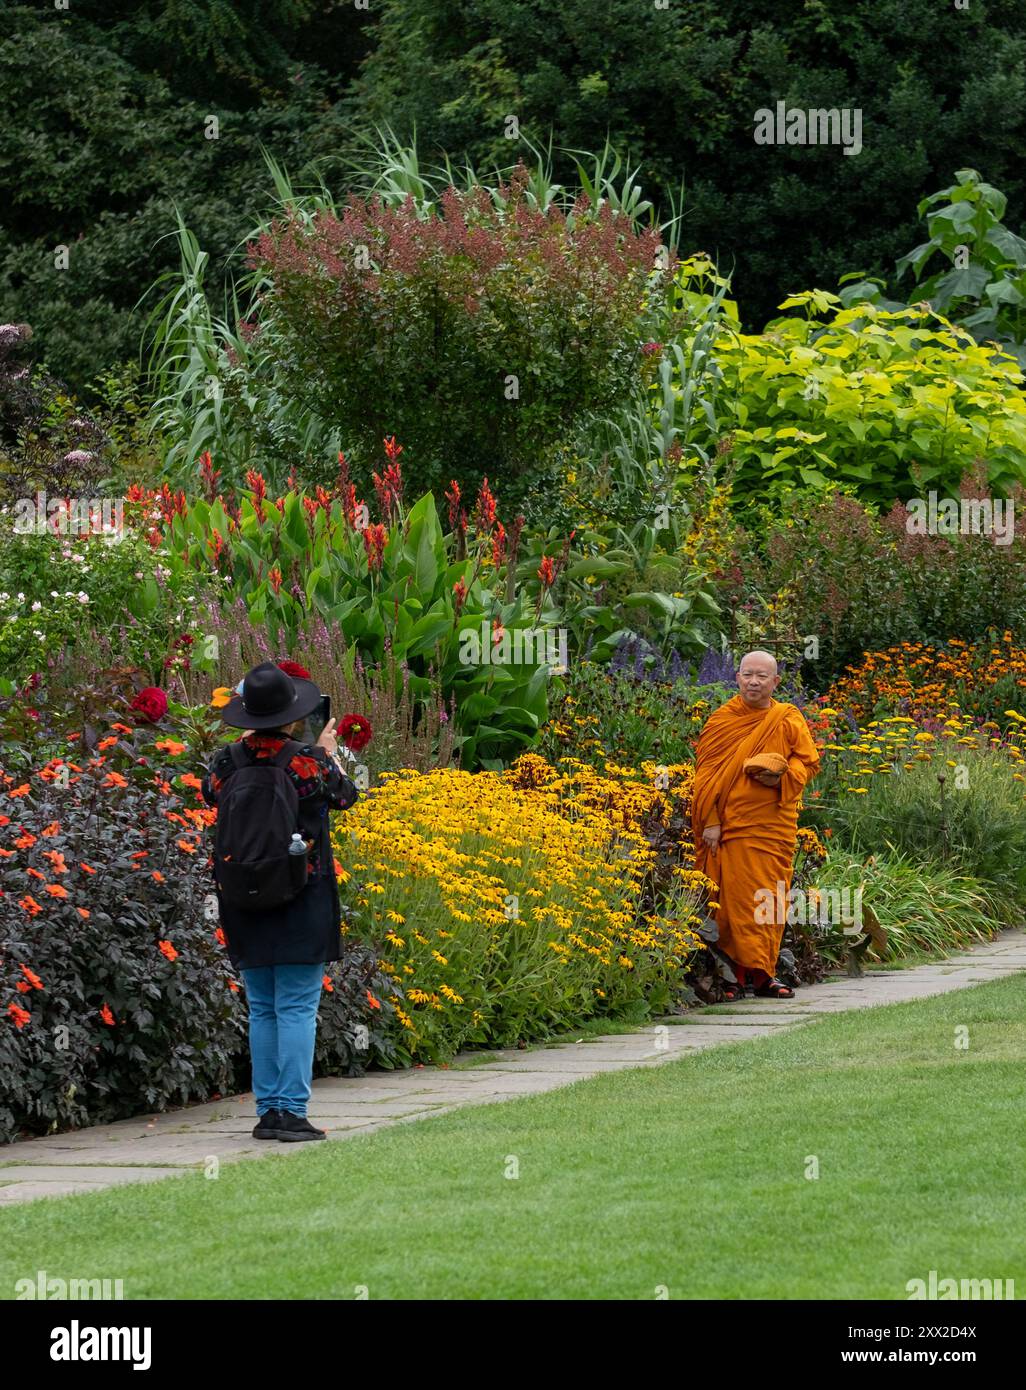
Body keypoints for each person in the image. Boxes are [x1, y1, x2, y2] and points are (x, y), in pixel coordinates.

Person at [201, 661, 359, 1141]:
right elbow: (346, 796)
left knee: (264, 1006)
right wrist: (326, 754)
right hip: (300, 893)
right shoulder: (306, 762)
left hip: (242, 893)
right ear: (293, 715)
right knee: (295, 1005)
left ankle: (269, 1112)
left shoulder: (224, 763)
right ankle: (291, 1111)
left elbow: (211, 797)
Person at [692, 650, 820, 999]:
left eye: (762, 676)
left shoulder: (786, 718)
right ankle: (732, 977)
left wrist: (781, 777)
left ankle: (764, 975)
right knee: (733, 903)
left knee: (770, 899)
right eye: (747, 674)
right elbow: (705, 779)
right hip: (732, 828)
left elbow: (808, 763)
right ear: (736, 678)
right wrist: (712, 823)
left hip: (774, 827)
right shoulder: (721, 721)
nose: (753, 681)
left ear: (775, 682)